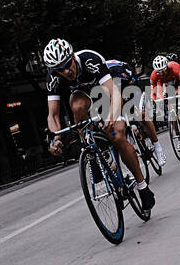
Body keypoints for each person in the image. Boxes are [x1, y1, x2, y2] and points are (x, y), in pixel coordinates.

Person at [43, 38, 155, 211]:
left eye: (67, 64)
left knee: (117, 136)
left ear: (73, 56)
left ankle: (142, 186)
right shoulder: (53, 78)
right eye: (60, 69)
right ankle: (92, 150)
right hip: (83, 97)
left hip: (104, 93)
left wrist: (111, 116)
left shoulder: (90, 59)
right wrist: (55, 137)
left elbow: (114, 94)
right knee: (77, 106)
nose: (66, 71)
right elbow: (53, 114)